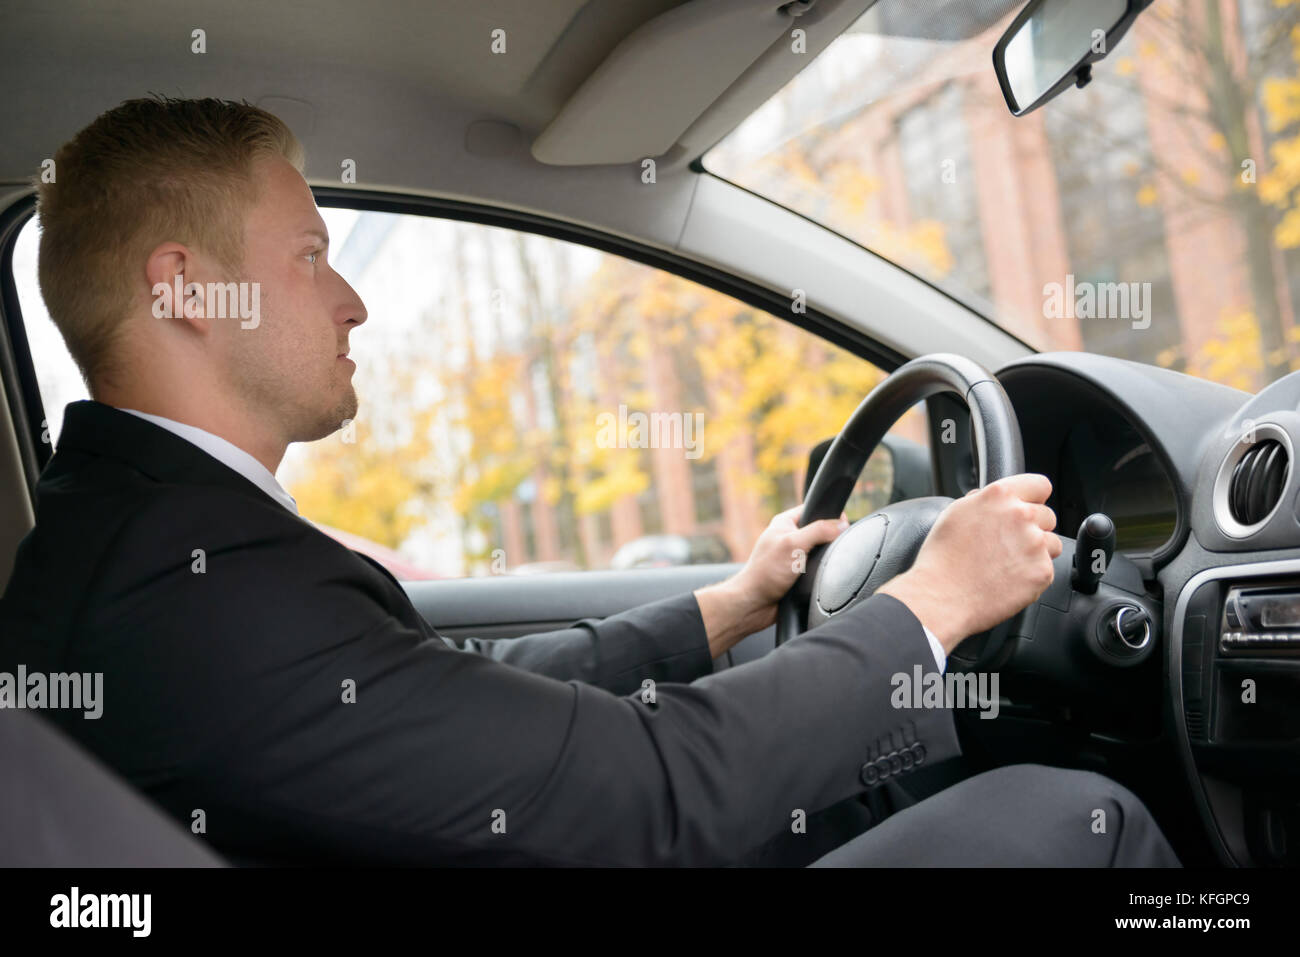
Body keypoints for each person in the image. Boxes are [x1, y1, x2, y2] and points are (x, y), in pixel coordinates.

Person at [0, 96, 1179, 867]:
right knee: (1071, 822)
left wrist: (725, 607)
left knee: (879, 788)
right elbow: (644, 793)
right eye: (310, 257)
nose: (351, 300)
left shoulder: (145, 541)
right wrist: (931, 602)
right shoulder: (195, 587)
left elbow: (456, 709)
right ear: (186, 288)